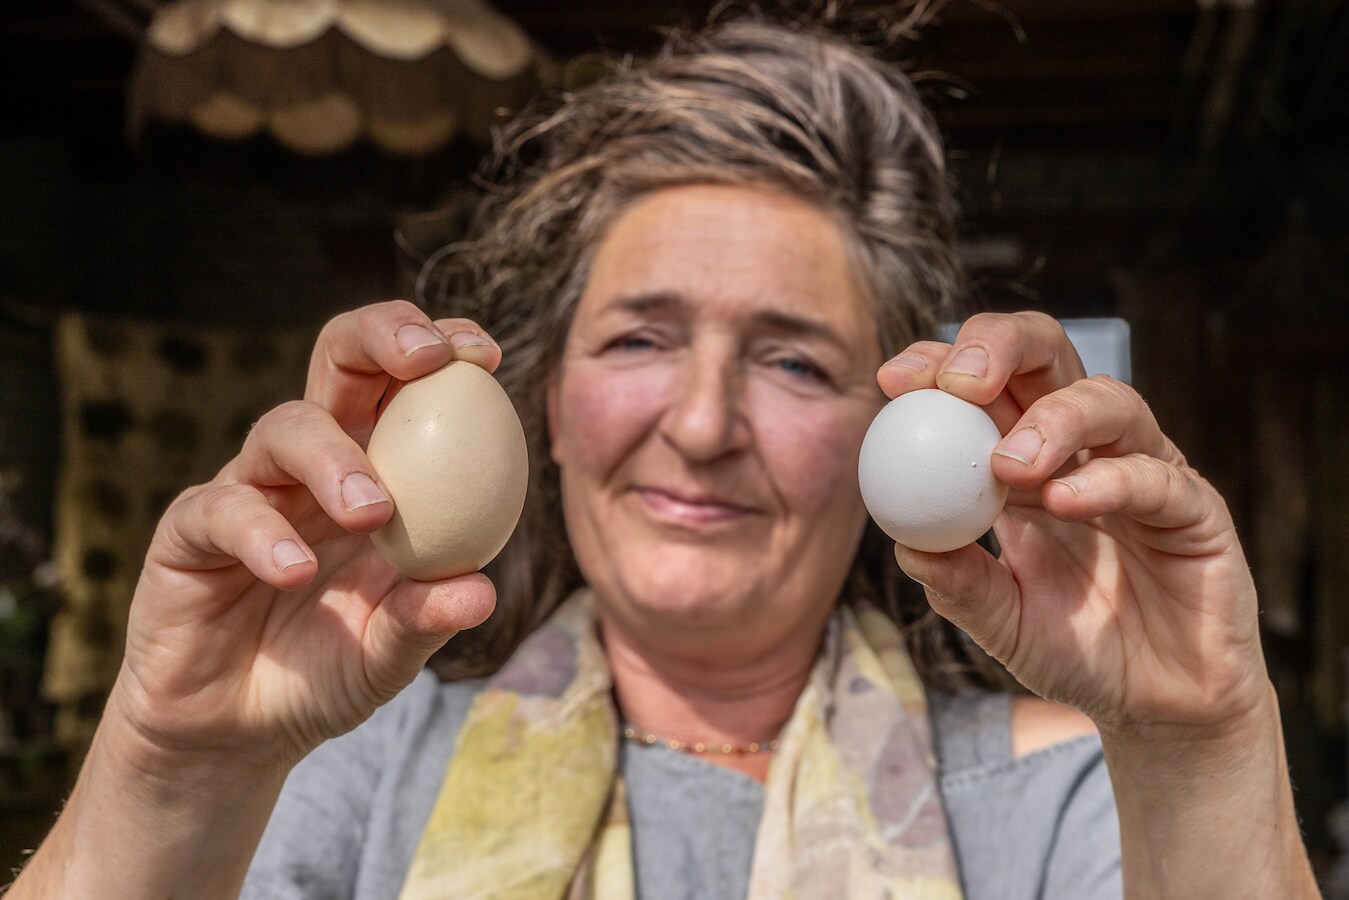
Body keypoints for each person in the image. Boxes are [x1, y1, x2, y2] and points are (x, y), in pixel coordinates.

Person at [9, 18, 1320, 900]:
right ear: (550, 410)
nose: (700, 426)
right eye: (640, 338)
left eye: (795, 360)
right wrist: (171, 769)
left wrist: (1196, 748)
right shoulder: (340, 766)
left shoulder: (1062, 799)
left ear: (885, 428)